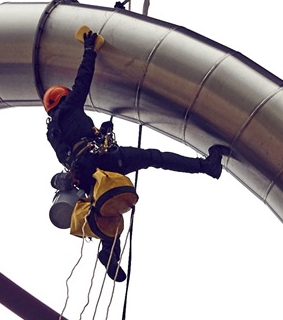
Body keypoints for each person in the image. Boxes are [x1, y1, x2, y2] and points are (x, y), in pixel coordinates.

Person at [44, 30, 229, 281]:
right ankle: (207, 166)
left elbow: (72, 151)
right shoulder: (69, 108)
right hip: (103, 160)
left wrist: (100, 134)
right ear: (63, 98)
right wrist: (89, 49)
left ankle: (109, 254)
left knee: (106, 207)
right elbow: (83, 80)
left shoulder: (53, 133)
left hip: (86, 175)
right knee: (154, 158)